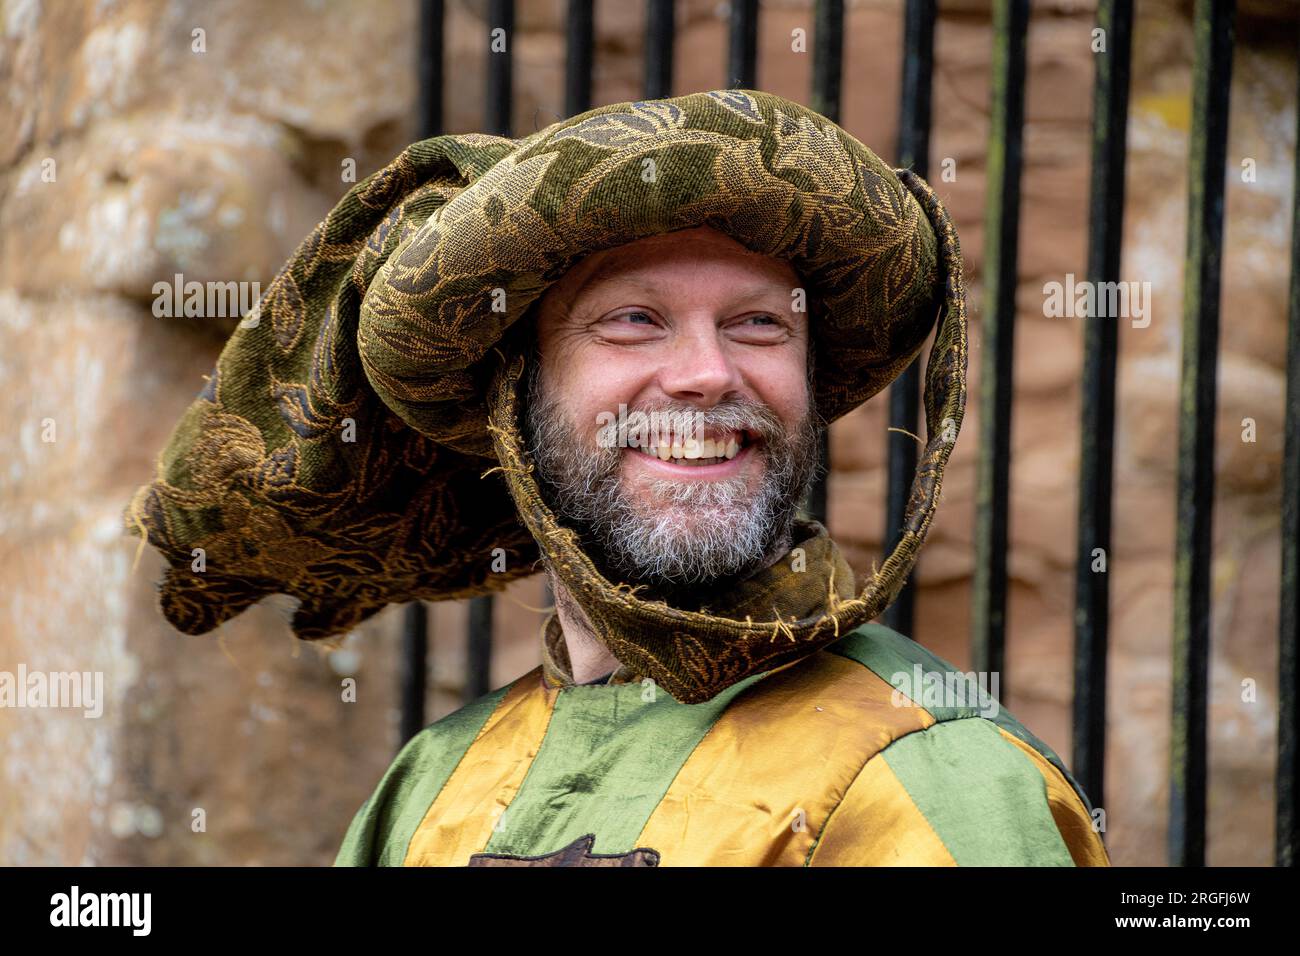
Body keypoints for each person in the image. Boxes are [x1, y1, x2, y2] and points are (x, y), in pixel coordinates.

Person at [126, 89, 1109, 867]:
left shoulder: (926, 772)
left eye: (759, 322)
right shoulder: (430, 786)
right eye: (633, 318)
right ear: (512, 399)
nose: (707, 372)